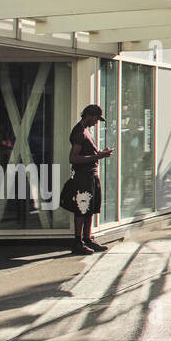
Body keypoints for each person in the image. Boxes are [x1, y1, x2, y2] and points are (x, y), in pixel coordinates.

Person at [62, 104, 111, 255]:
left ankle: (87, 238)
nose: (97, 122)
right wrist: (98, 156)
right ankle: (78, 242)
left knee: (90, 209)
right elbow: (73, 158)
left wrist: (99, 154)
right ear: (89, 116)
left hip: (91, 175)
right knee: (82, 208)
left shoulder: (87, 131)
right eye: (96, 119)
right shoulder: (79, 132)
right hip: (83, 176)